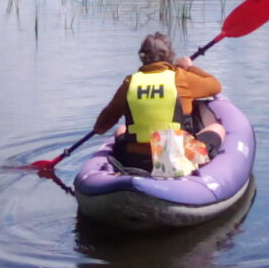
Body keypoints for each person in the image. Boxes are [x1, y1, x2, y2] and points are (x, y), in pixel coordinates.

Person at [91, 31, 224, 173]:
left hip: (135, 159)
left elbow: (100, 128)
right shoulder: (181, 77)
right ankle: (205, 168)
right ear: (170, 55)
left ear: (142, 57)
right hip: (176, 157)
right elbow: (215, 86)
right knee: (217, 128)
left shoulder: (129, 83)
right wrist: (189, 67)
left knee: (121, 129)